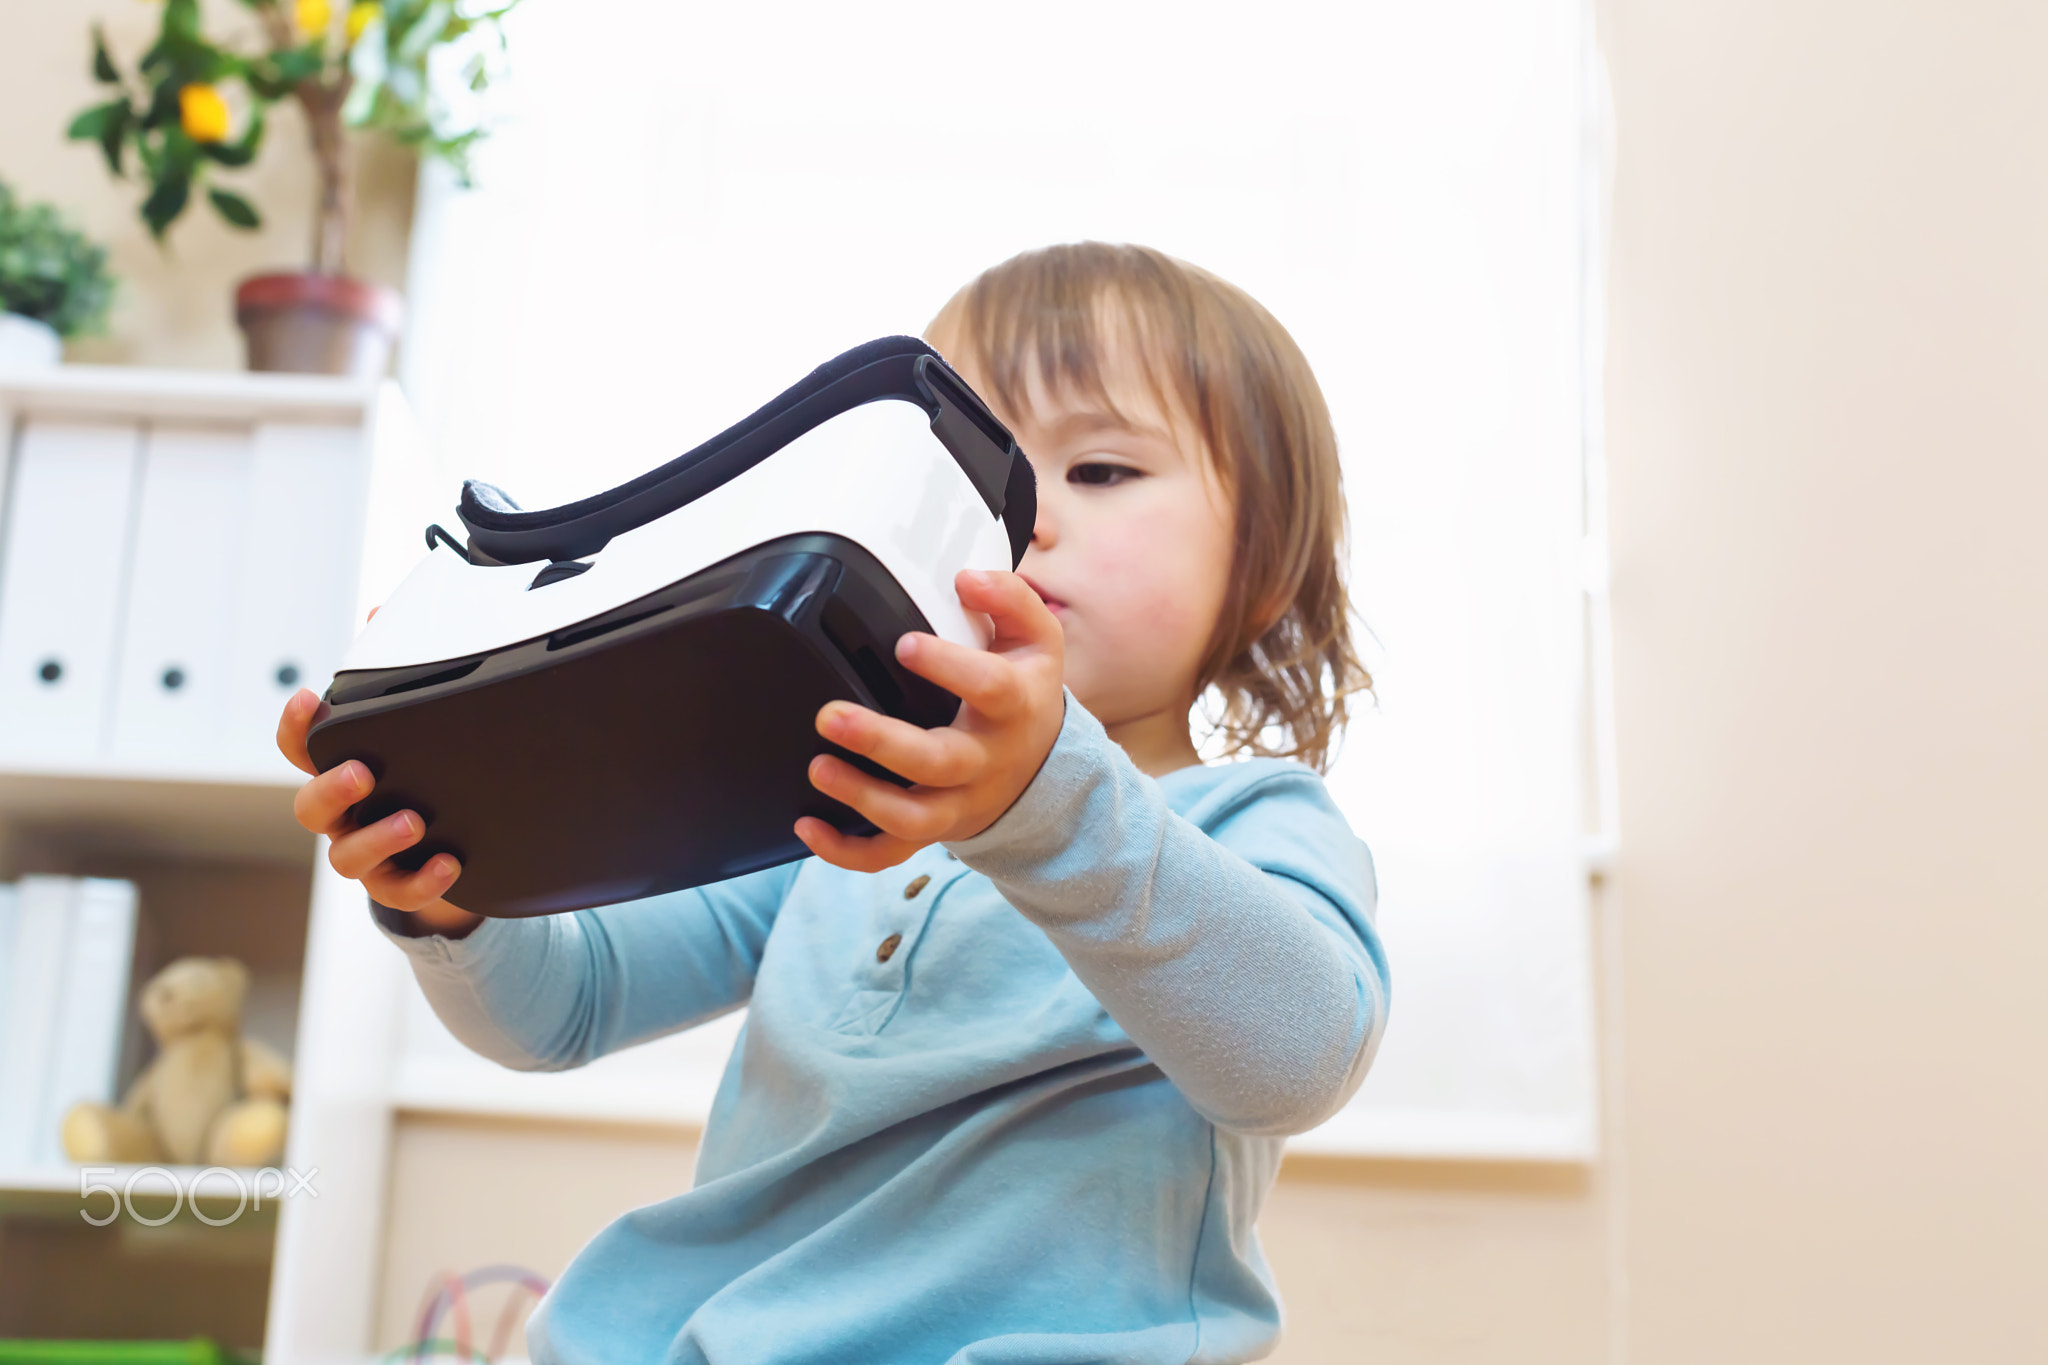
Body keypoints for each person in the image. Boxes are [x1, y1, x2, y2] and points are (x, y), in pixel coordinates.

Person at [276, 242, 1390, 1364]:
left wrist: (1042, 800)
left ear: (1264, 568)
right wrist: (452, 883)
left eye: (1099, 471)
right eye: (964, 477)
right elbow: (560, 1009)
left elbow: (1297, 1064)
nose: (1024, 519)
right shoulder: (833, 803)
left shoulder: (1252, 822)